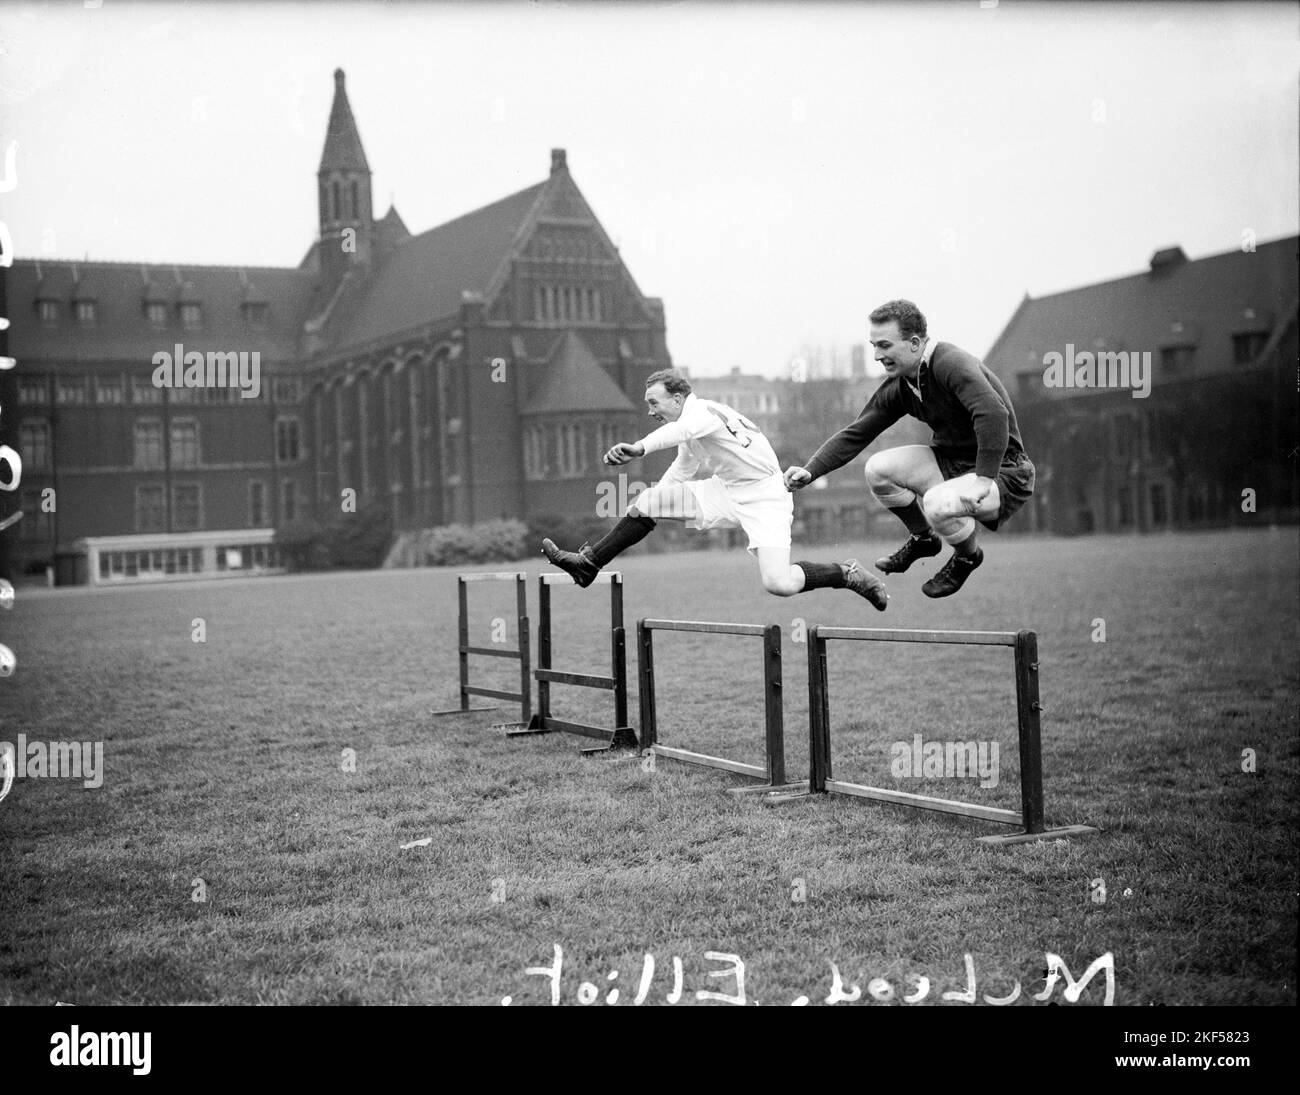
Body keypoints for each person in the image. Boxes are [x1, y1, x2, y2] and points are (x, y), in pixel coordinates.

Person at [541, 369, 889, 610]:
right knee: (648, 499)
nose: (651, 412)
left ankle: (846, 573)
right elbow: (684, 466)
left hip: (766, 496)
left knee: (779, 583)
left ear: (678, 398)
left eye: (654, 402)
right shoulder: (692, 427)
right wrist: (652, 508)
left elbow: (675, 435)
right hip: (726, 491)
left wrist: (639, 447)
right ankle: (588, 564)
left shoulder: (704, 413)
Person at [784, 300, 1035, 598]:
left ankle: (967, 557)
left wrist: (983, 479)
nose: (877, 356)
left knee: (937, 503)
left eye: (885, 345)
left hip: (1004, 473)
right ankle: (924, 539)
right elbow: (857, 433)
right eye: (873, 346)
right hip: (951, 464)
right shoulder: (903, 383)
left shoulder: (950, 364)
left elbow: (993, 414)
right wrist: (811, 470)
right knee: (877, 469)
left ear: (915, 343)